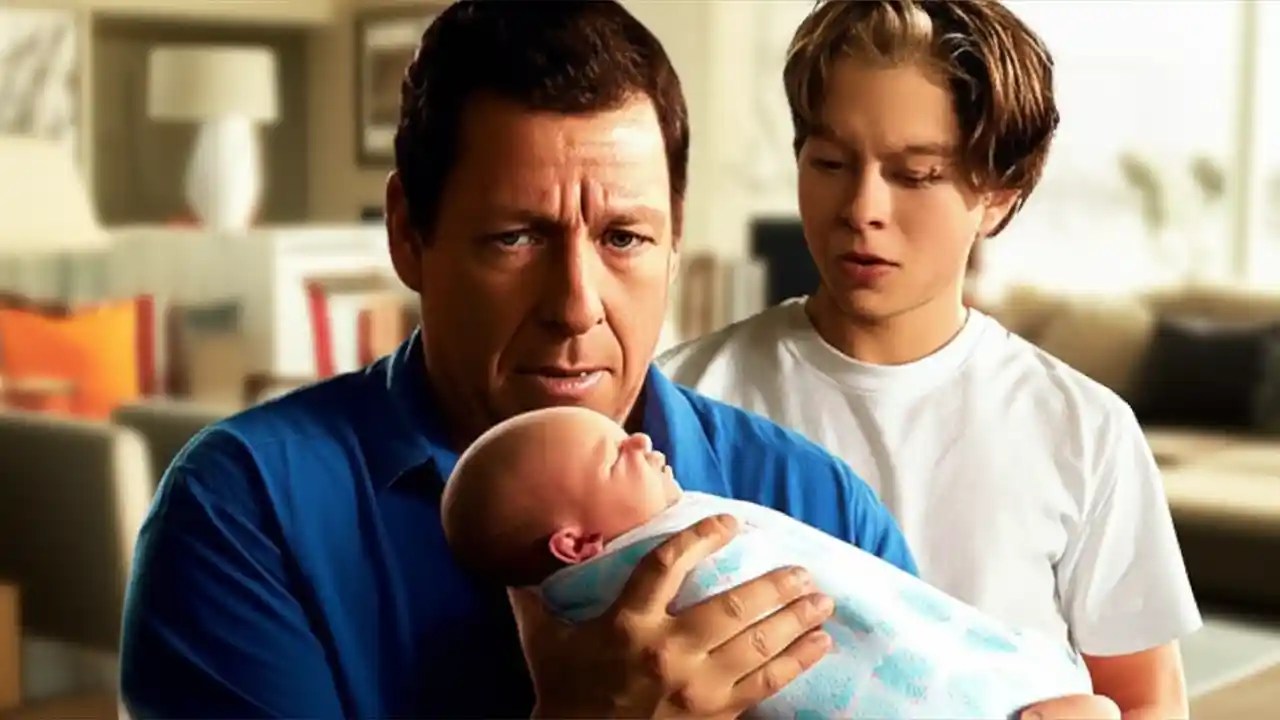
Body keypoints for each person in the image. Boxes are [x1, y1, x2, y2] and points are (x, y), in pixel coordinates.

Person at [117, 3, 919, 718]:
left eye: (624, 238)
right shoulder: (245, 515)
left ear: (676, 241)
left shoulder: (818, 505)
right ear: (408, 234)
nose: (575, 305)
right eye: (516, 238)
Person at [659, 1, 1202, 717]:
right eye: (830, 163)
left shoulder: (1084, 431)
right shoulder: (681, 399)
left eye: (915, 174)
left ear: (999, 195)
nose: (861, 208)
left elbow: (1146, 701)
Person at [440, 405, 1120, 720]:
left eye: (623, 237)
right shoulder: (631, 578)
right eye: (514, 237)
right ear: (577, 547)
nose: (640, 442)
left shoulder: (823, 488)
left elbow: (900, 633)